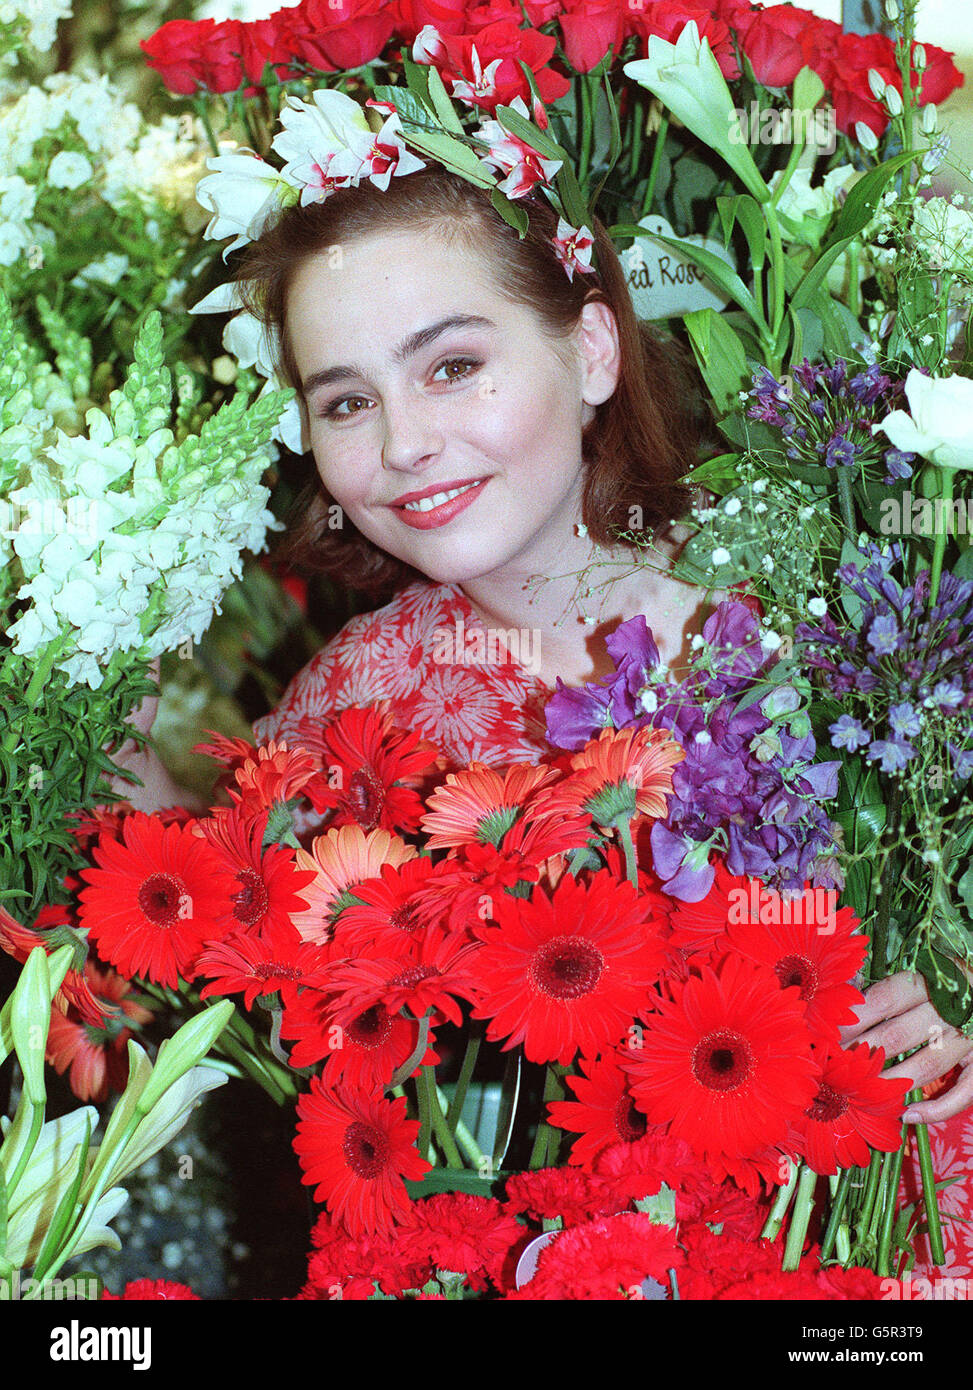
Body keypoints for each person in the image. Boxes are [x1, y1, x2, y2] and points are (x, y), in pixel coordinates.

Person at [129, 139, 973, 1272]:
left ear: (588, 350)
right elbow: (239, 972)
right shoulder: (354, 704)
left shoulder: (839, 609)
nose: (402, 442)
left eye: (450, 366)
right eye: (344, 400)